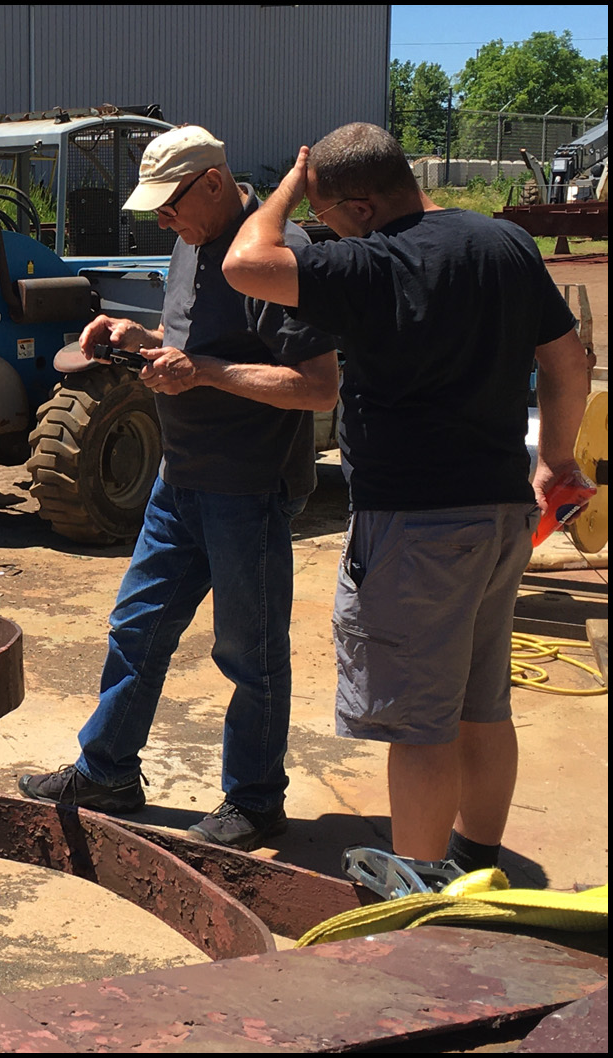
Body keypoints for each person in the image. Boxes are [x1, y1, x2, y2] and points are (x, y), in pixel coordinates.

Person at [222, 122, 591, 874]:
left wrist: (290, 184)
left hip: (413, 527)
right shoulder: (505, 244)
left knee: (419, 724)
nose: (318, 229)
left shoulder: (370, 264)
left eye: (324, 214)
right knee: (482, 705)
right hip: (499, 516)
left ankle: (419, 894)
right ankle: (474, 857)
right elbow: (568, 361)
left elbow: (245, 261)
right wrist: (554, 458)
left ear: (358, 206)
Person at [17, 126, 340, 851]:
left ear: (217, 184)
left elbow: (318, 390)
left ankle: (255, 801)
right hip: (181, 479)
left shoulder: (275, 258)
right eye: (156, 209)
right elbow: (196, 338)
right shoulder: (193, 238)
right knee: (137, 629)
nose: (162, 220)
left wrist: (204, 373)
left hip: (246, 489)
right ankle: (107, 773)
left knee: (248, 653)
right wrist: (139, 340)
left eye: (171, 206)